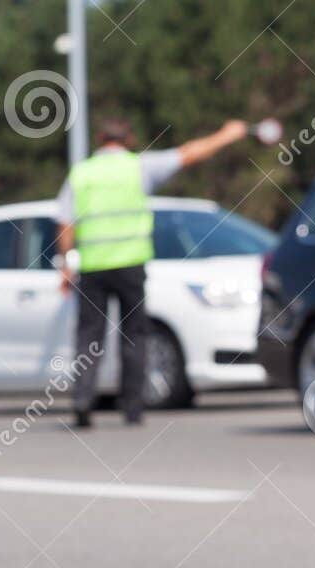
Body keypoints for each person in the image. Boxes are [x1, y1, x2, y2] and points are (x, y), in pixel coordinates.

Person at [56, 116, 249, 427]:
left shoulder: (82, 173)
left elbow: (65, 223)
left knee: (89, 337)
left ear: (100, 139)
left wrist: (66, 264)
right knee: (134, 336)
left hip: (92, 267)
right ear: (128, 139)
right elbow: (189, 153)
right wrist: (227, 135)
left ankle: (82, 399)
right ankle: (132, 407)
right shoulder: (138, 166)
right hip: (130, 264)